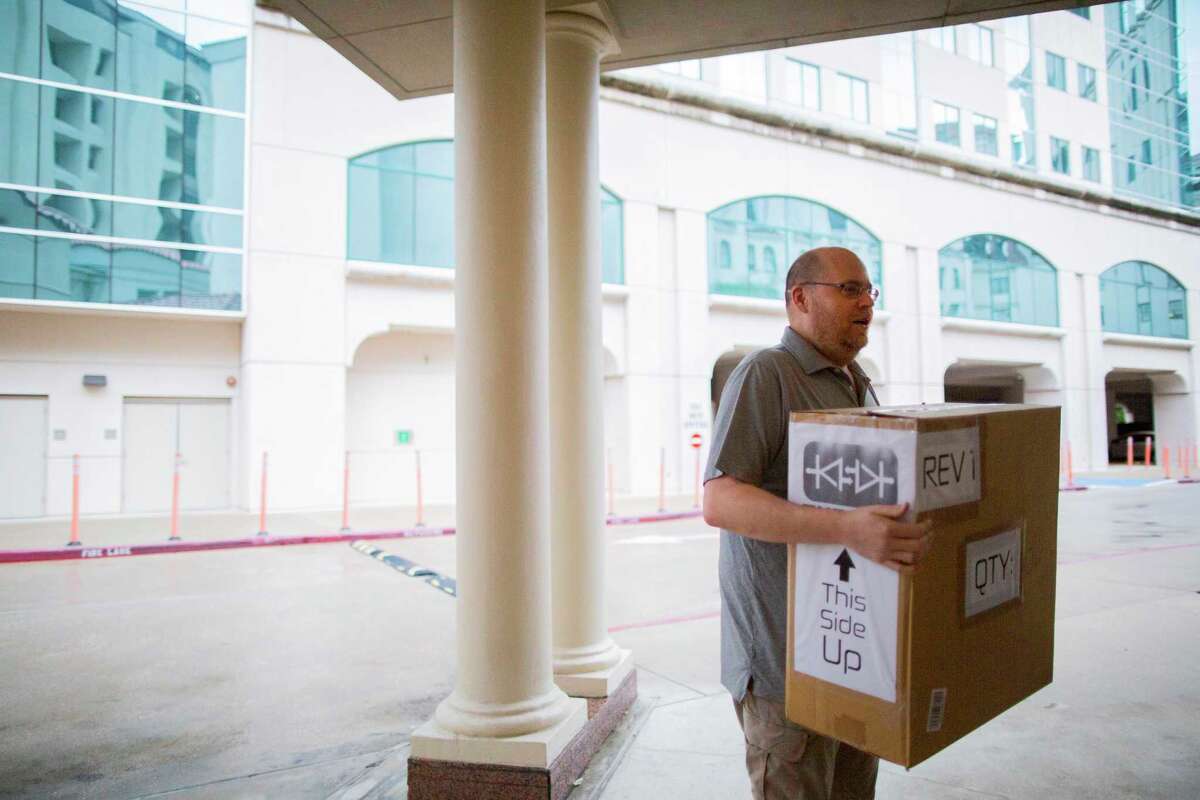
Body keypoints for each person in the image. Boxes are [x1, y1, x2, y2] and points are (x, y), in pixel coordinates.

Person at [702, 246, 934, 800]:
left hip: (851, 658)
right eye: (850, 289)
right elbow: (721, 501)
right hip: (785, 667)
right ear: (800, 298)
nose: (867, 303)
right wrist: (849, 530)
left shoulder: (855, 382)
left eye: (870, 291)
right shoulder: (766, 374)